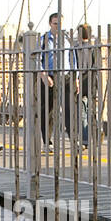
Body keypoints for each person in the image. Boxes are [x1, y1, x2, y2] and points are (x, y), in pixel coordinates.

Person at [38, 12, 78, 150]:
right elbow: (38, 59)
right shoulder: (43, 40)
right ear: (50, 24)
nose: (58, 26)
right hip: (49, 77)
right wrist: (43, 75)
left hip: (65, 77)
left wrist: (76, 78)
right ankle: (47, 141)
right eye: (55, 24)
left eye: (60, 23)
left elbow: (73, 58)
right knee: (48, 110)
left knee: (69, 109)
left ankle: (74, 140)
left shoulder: (67, 39)